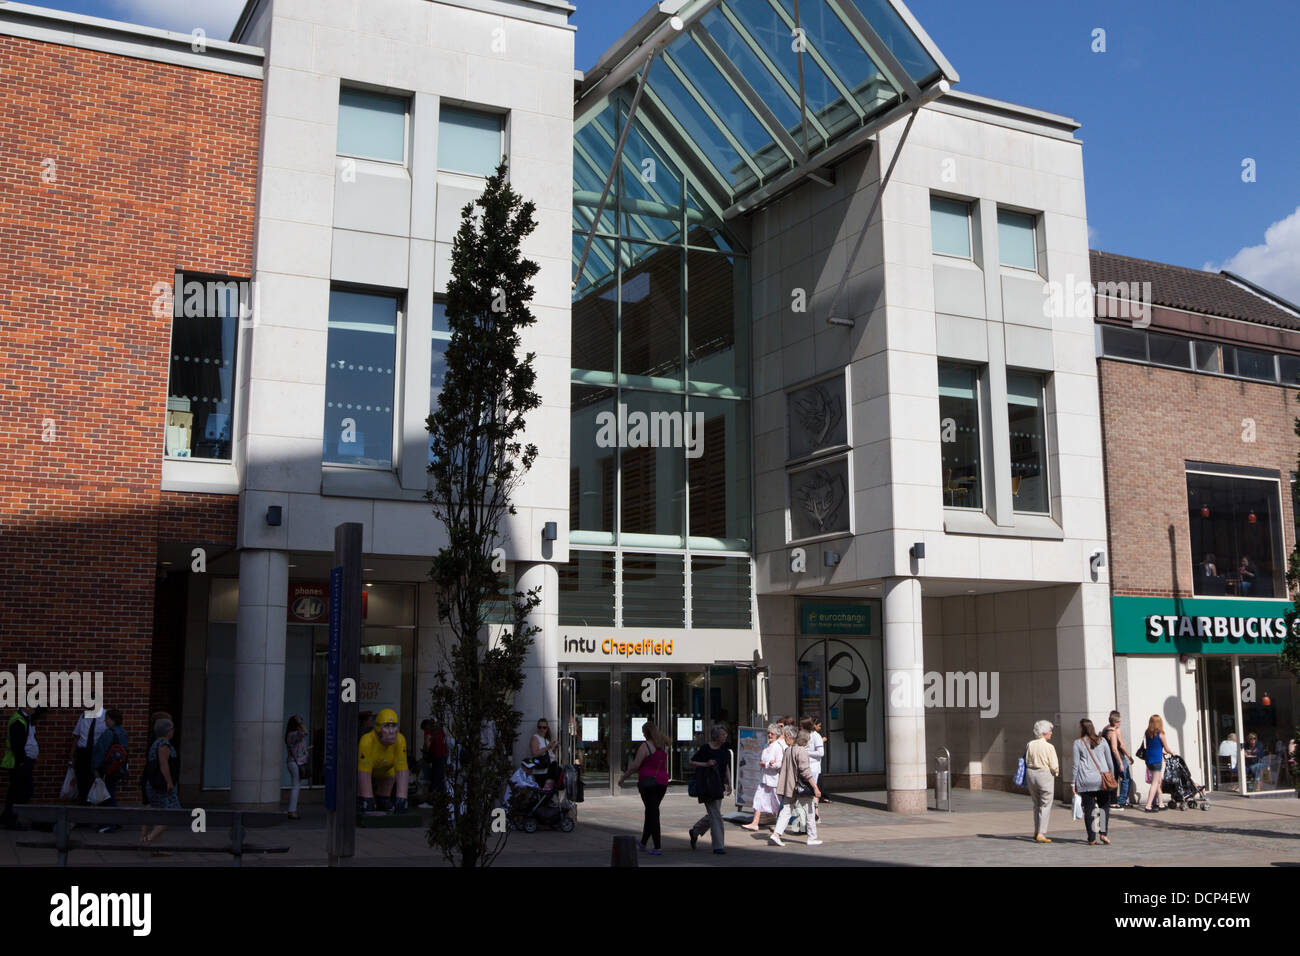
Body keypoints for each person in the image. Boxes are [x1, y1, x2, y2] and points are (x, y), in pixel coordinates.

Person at [618, 720, 670, 854]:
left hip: (648, 783)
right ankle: (643, 843)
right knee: (651, 811)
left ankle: (657, 847)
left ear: (646, 733)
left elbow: (635, 766)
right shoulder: (665, 745)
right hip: (662, 782)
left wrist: (623, 777)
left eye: (643, 732)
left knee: (653, 814)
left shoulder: (645, 746)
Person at [770, 729, 821, 847]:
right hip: (800, 788)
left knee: (786, 810)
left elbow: (783, 768)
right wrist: (815, 787)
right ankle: (812, 837)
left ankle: (776, 834)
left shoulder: (788, 750)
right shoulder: (802, 751)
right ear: (805, 740)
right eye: (808, 740)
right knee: (810, 810)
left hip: (789, 786)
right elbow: (805, 772)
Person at [688, 723, 732, 854]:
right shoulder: (705, 749)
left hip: (718, 785)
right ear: (716, 736)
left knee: (714, 813)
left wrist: (730, 783)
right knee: (716, 815)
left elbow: (726, 767)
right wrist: (706, 764)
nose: (725, 737)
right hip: (707, 785)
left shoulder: (724, 749)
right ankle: (718, 846)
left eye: (725, 734)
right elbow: (692, 762)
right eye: (723, 735)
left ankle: (695, 831)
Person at [1072, 719, 1115, 846]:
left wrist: (1073, 782)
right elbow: (1109, 761)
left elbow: (1075, 765)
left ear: (1082, 729)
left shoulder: (1078, 743)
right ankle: (1103, 833)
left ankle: (1091, 838)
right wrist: (1111, 775)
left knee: (1089, 809)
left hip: (1085, 780)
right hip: (1102, 780)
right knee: (1104, 806)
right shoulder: (1102, 741)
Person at [357, 708, 409, 814]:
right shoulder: (367, 741)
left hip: (387, 768)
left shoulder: (400, 740)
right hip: (367, 767)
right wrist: (367, 799)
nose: (391, 732)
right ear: (378, 728)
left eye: (394, 726)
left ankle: (383, 797)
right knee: (360, 779)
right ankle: (364, 799)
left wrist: (402, 798)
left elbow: (402, 769)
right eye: (386, 726)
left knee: (391, 775)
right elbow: (364, 771)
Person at [141, 717, 180, 856]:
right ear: (168, 731)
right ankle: (149, 839)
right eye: (172, 729)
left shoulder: (155, 743)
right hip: (162, 786)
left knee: (159, 815)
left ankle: (156, 848)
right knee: (172, 814)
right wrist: (169, 782)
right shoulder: (164, 744)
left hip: (153, 785)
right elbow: (164, 764)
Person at [1, 706, 39, 830]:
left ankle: (9, 817)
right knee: (20, 792)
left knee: (19, 790)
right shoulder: (18, 721)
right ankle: (11, 819)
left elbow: (39, 711)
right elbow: (16, 745)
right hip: (19, 763)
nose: (34, 707)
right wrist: (23, 761)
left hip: (21, 762)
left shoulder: (25, 717)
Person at [91, 709, 127, 832]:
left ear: (112, 720)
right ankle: (114, 821)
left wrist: (96, 768)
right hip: (117, 768)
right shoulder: (123, 733)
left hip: (106, 769)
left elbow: (100, 752)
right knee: (110, 793)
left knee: (107, 796)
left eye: (107, 718)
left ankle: (110, 823)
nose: (105, 721)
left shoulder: (109, 733)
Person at [742, 724, 784, 831]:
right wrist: (767, 764)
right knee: (758, 799)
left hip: (773, 780)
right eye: (768, 733)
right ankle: (755, 823)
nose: (770, 735)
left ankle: (779, 825)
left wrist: (768, 764)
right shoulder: (766, 746)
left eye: (772, 733)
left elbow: (779, 764)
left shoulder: (778, 747)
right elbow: (761, 761)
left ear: (777, 735)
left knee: (777, 803)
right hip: (764, 778)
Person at [1025, 719, 1059, 843]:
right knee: (1045, 804)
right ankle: (1041, 832)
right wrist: (1055, 773)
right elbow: (1054, 765)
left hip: (1031, 773)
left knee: (1036, 804)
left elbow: (1027, 759)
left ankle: (1036, 830)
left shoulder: (1030, 744)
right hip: (1044, 774)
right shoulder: (1049, 746)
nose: (1051, 733)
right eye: (1050, 731)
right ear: (1044, 732)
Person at [71, 708, 109, 805]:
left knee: (93, 780)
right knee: (81, 779)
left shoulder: (106, 716)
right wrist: (72, 755)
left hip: (96, 752)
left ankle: (93, 804)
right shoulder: (84, 715)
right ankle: (83, 803)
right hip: (83, 752)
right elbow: (77, 735)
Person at [1100, 711, 1134, 810]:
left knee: (1112, 779)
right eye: (1119, 721)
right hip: (1118, 758)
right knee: (1125, 778)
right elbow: (1117, 748)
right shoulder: (1114, 732)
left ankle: (1112, 800)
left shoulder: (1105, 730)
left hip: (1108, 759)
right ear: (1115, 722)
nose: (1120, 723)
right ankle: (1120, 800)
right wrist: (1127, 757)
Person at [1141, 715, 1174, 812]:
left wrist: (1161, 751)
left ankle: (1160, 803)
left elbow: (1152, 746)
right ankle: (1148, 805)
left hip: (1149, 759)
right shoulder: (1161, 734)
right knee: (1155, 783)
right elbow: (1166, 748)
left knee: (1158, 781)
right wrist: (1172, 752)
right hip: (1156, 760)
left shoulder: (1147, 732)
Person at [285, 715, 309, 820]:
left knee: (296, 785)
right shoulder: (293, 734)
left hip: (294, 762)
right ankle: (292, 810)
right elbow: (305, 732)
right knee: (296, 786)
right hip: (295, 763)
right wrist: (300, 723)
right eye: (299, 722)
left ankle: (292, 810)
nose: (301, 724)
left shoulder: (291, 735)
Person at [529, 717, 562, 787]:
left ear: (547, 728)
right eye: (540, 727)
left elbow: (549, 754)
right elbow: (534, 753)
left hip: (549, 768)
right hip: (542, 770)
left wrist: (555, 748)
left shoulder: (546, 740)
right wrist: (547, 747)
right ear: (537, 728)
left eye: (544, 727)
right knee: (545, 790)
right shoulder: (535, 738)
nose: (542, 729)